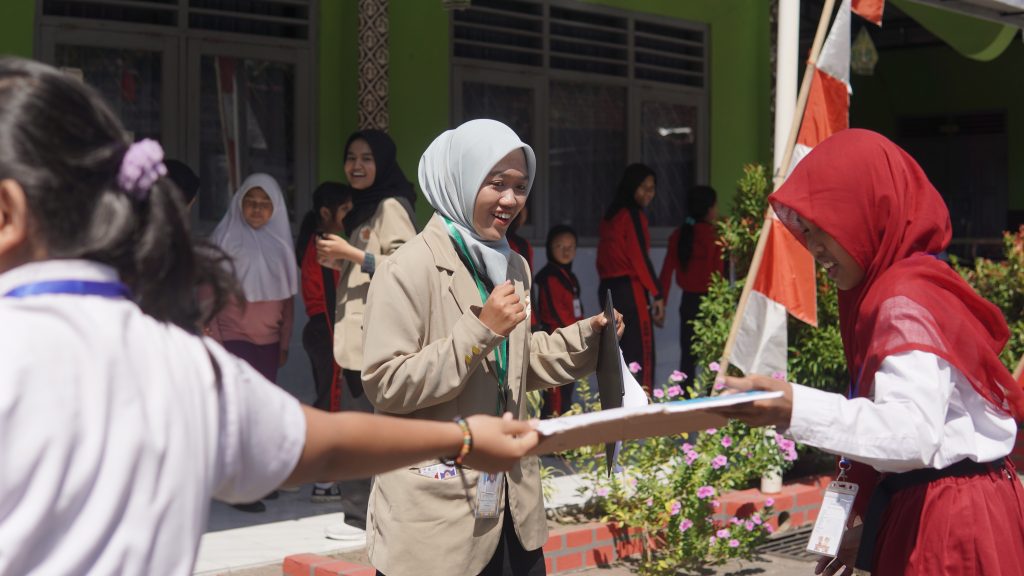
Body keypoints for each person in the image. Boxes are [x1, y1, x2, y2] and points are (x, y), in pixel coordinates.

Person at [0, 57, 540, 576]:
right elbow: (319, 443)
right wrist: (462, 439)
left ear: (8, 212)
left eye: (518, 185)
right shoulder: (180, 359)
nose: (509, 198)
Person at [715, 129, 1024, 576]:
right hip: (943, 507)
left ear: (870, 217)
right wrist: (877, 526)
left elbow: (913, 436)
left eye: (827, 229)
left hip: (950, 524)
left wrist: (793, 407)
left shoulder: (901, 297)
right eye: (808, 232)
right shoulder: (910, 284)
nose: (814, 247)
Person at [360, 119, 624, 576]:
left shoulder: (512, 264)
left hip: (511, 511)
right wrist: (480, 331)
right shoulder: (406, 269)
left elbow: (519, 362)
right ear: (460, 180)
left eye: (520, 186)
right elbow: (387, 385)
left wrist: (589, 338)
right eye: (496, 183)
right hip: (438, 520)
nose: (510, 200)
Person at [314, 129, 417, 533]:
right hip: (360, 338)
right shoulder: (362, 209)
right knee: (361, 424)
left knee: (368, 428)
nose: (356, 166)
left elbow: (405, 266)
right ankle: (361, 513)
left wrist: (349, 253)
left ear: (384, 163)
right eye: (351, 157)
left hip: (380, 340)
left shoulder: (391, 205)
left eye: (367, 158)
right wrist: (344, 261)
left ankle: (365, 516)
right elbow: (374, 267)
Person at [296, 182, 354, 503]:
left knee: (329, 398)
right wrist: (340, 342)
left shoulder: (323, 241)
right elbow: (332, 296)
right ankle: (324, 479)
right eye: (345, 210)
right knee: (331, 401)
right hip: (327, 329)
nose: (350, 215)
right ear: (325, 213)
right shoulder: (326, 243)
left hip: (322, 329)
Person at [597, 163, 665, 391]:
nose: (648, 193)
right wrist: (657, 293)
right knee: (641, 352)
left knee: (616, 351)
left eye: (652, 188)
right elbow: (639, 258)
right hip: (629, 288)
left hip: (607, 289)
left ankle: (619, 403)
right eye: (643, 187)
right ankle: (643, 405)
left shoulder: (610, 215)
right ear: (631, 187)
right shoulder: (631, 214)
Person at [658, 186, 721, 379]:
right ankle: (713, 399)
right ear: (709, 209)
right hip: (712, 302)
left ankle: (685, 398)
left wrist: (662, 303)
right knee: (714, 357)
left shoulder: (679, 234)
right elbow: (720, 275)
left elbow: (666, 273)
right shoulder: (716, 236)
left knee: (688, 356)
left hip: (688, 303)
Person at [533, 224, 584, 416]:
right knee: (556, 397)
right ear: (549, 248)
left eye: (571, 246)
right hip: (556, 341)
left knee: (566, 392)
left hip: (569, 338)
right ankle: (555, 442)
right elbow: (560, 313)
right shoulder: (550, 277)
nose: (566, 251)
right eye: (560, 246)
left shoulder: (567, 275)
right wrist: (585, 332)